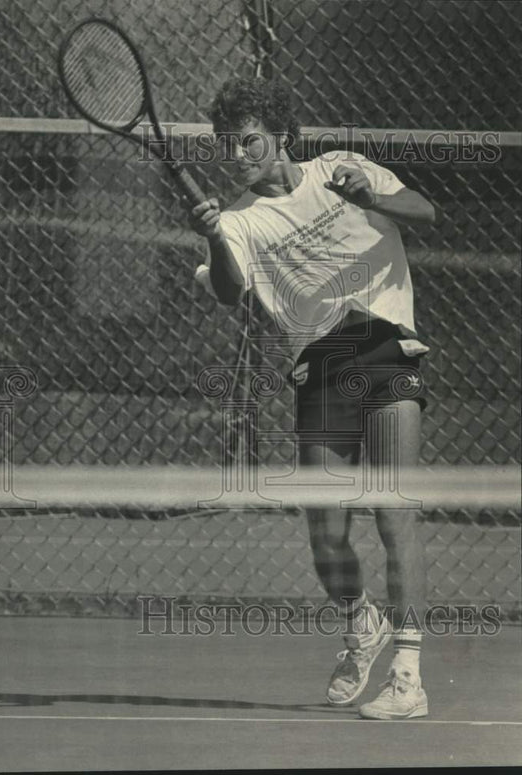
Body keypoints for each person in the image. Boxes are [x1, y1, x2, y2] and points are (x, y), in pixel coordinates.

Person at [188, 77, 435, 720]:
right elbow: (228, 290)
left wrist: (371, 196)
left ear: (281, 136)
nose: (236, 154)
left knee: (394, 513)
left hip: (386, 345)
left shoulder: (340, 168)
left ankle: (408, 675)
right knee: (326, 537)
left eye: (248, 141)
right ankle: (361, 625)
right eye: (226, 144)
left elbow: (425, 212)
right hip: (321, 367)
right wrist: (212, 235)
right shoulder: (237, 220)